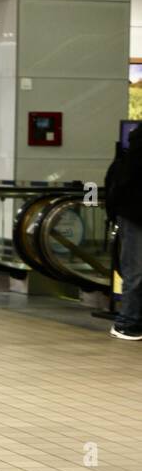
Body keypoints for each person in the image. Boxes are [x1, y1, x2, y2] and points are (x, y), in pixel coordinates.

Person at [105, 126, 141, 340]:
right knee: (135, 271)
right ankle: (127, 321)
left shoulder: (128, 158)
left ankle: (131, 319)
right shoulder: (132, 160)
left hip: (131, 216)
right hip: (135, 217)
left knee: (135, 270)